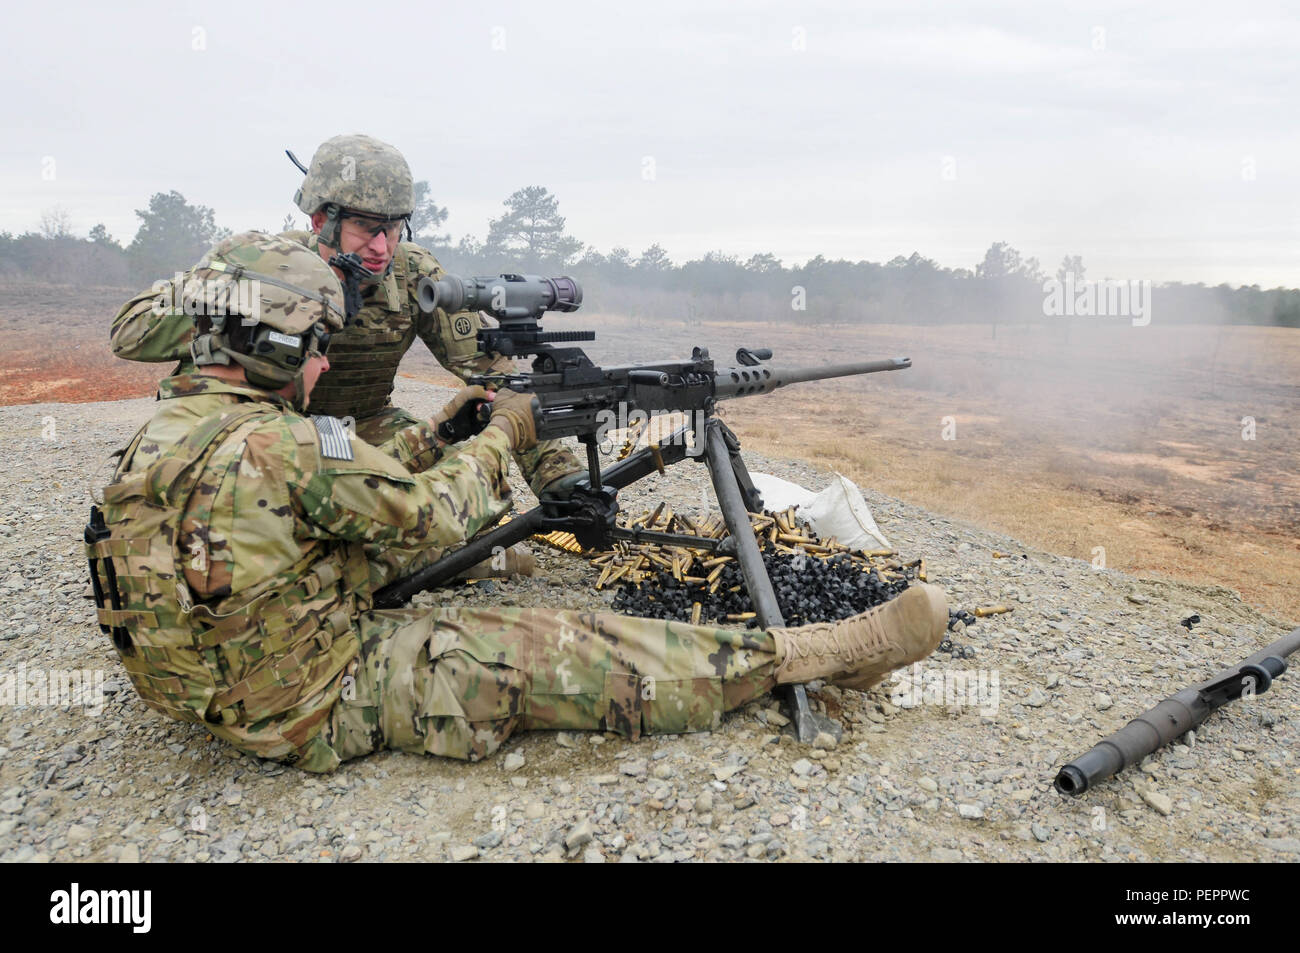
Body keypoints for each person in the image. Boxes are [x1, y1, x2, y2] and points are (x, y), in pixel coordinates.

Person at [88, 233, 950, 773]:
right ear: (267, 343)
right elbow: (429, 517)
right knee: (548, 644)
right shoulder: (292, 445)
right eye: (313, 348)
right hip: (304, 699)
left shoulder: (167, 431)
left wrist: (438, 432)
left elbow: (352, 496)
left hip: (200, 682)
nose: (322, 368)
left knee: (410, 546)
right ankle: (803, 655)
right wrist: (506, 434)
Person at [108, 132, 584, 500]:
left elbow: (495, 378)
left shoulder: (412, 273)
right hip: (260, 431)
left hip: (363, 426)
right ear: (321, 220)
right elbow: (128, 334)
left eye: (393, 228)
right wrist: (249, 307)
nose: (381, 247)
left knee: (466, 505)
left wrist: (558, 476)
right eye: (364, 227)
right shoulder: (265, 265)